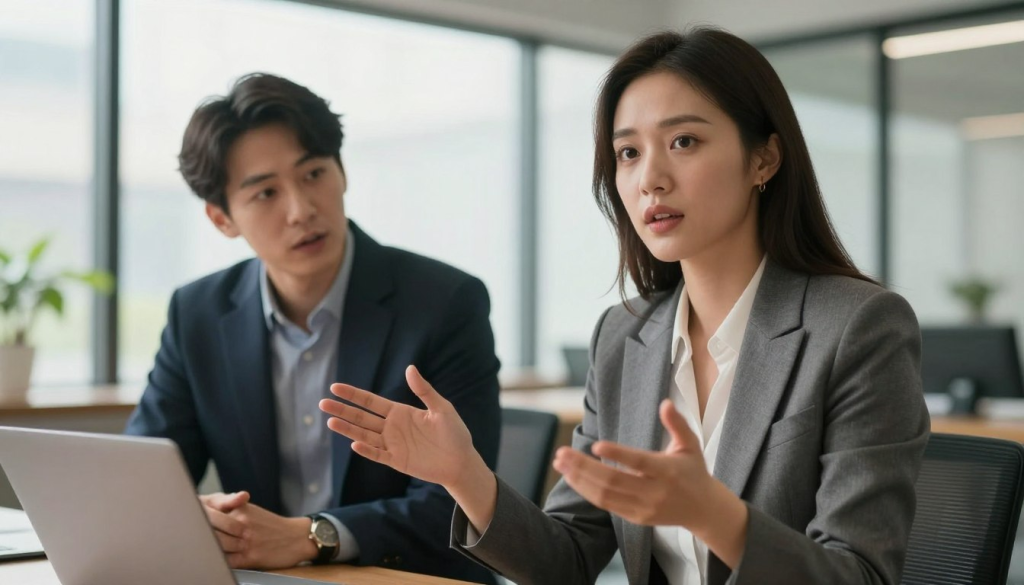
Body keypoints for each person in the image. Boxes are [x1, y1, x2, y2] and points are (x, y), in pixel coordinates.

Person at [319, 27, 929, 585]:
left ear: (763, 158)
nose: (650, 179)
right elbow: (566, 559)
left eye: (684, 141)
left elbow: (861, 575)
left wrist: (720, 518)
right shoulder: (624, 335)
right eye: (629, 153)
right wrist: (464, 474)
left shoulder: (857, 326)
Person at [125, 73, 500, 584]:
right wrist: (203, 517)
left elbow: (461, 506)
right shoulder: (198, 314)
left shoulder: (444, 303)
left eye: (314, 174)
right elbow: (145, 477)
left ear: (341, 172)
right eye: (265, 194)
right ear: (221, 218)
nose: (302, 210)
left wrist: (311, 536)